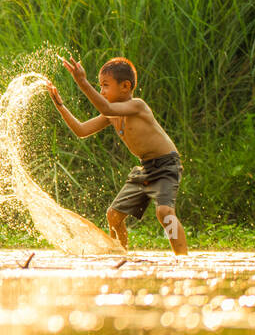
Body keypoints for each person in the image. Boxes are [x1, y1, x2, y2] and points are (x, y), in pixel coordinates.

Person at [47, 55, 188, 255]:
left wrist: (82, 82)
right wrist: (60, 106)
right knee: (113, 215)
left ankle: (182, 258)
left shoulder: (137, 106)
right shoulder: (110, 114)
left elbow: (106, 107)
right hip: (146, 168)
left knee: (164, 212)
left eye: (105, 85)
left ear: (125, 86)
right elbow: (81, 130)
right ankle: (121, 255)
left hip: (166, 165)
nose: (102, 91)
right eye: (100, 86)